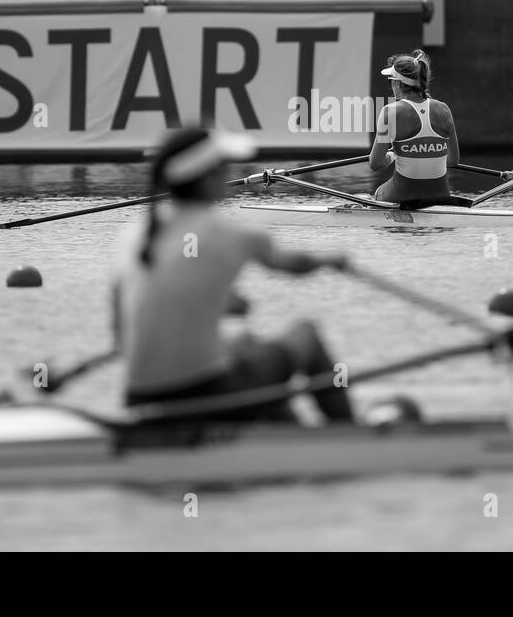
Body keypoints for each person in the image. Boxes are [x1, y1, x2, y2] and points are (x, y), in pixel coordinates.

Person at [110, 127, 354, 423]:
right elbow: (295, 264)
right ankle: (352, 438)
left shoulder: (132, 235)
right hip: (204, 394)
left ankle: (282, 438)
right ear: (207, 176)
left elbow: (122, 335)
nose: (228, 171)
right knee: (306, 334)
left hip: (138, 399)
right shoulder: (231, 232)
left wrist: (218, 302)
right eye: (223, 166)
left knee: (244, 343)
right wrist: (332, 259)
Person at [368, 50, 462, 204]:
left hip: (402, 196)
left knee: (377, 193)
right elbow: (453, 161)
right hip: (441, 195)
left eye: (390, 80)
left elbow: (375, 164)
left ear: (397, 83)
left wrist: (393, 155)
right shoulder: (444, 109)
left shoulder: (389, 112)